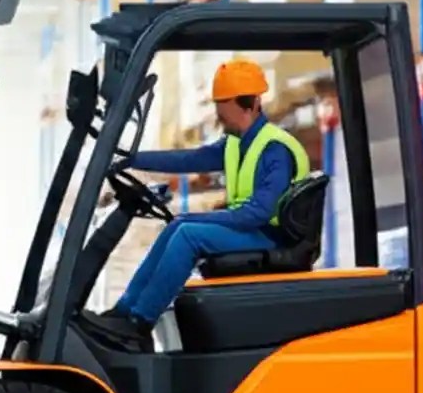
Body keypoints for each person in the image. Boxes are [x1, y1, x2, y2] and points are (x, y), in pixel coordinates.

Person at [85, 59, 310, 346]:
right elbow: (189, 159)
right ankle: (123, 312)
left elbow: (258, 213)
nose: (219, 115)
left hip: (271, 236)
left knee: (188, 234)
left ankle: (140, 323)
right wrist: (132, 159)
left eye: (224, 107)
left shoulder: (275, 149)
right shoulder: (236, 142)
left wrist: (198, 219)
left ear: (251, 104)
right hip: (252, 228)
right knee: (178, 226)